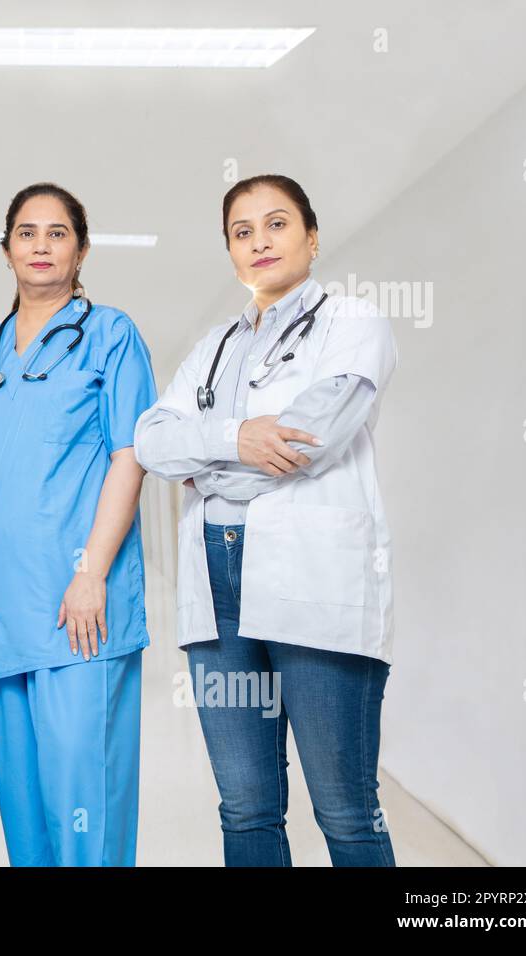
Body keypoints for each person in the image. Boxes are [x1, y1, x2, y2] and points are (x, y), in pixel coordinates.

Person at [134, 174, 399, 866]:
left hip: (312, 581)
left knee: (344, 805)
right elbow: (153, 440)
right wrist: (236, 439)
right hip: (217, 588)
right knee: (246, 808)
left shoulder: (353, 323)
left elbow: (310, 439)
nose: (259, 242)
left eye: (276, 224)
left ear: (311, 237)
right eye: (241, 232)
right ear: (230, 251)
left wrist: (207, 456)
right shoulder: (215, 344)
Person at [0, 183, 157, 866]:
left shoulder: (111, 335)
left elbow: (130, 457)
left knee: (83, 807)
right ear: (6, 249)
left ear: (82, 249)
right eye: (27, 232)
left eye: (57, 232)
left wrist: (90, 573)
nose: (41, 245)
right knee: (25, 817)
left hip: (77, 610)